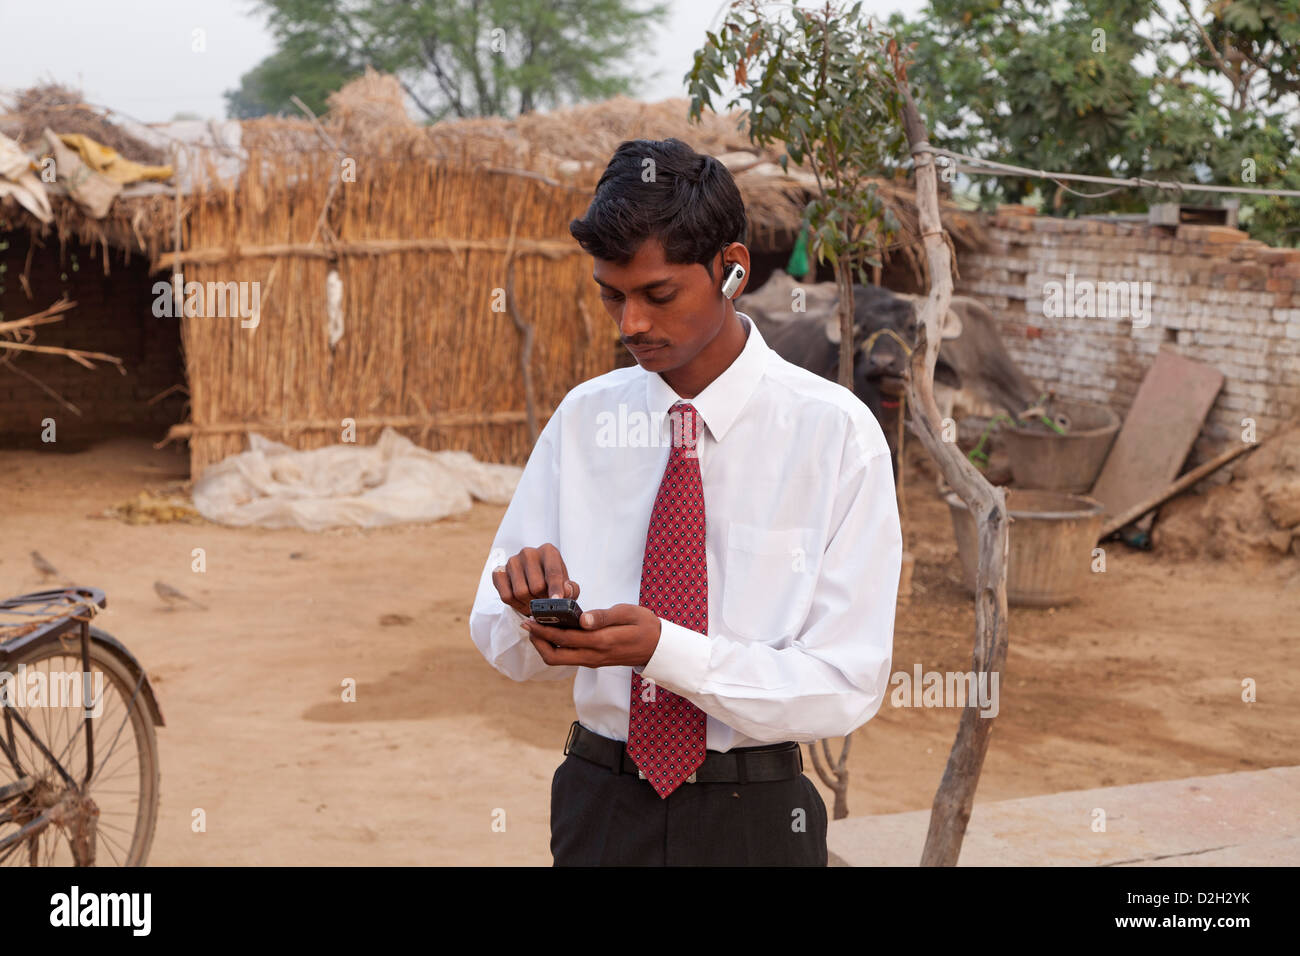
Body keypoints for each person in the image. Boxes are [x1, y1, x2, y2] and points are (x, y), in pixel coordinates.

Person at [468, 137, 901, 866]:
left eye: (658, 294)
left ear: (731, 269)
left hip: (758, 816)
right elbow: (499, 637)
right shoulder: (584, 420)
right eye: (612, 294)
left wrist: (667, 652)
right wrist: (523, 604)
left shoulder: (834, 435)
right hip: (601, 804)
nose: (630, 322)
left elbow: (845, 683)